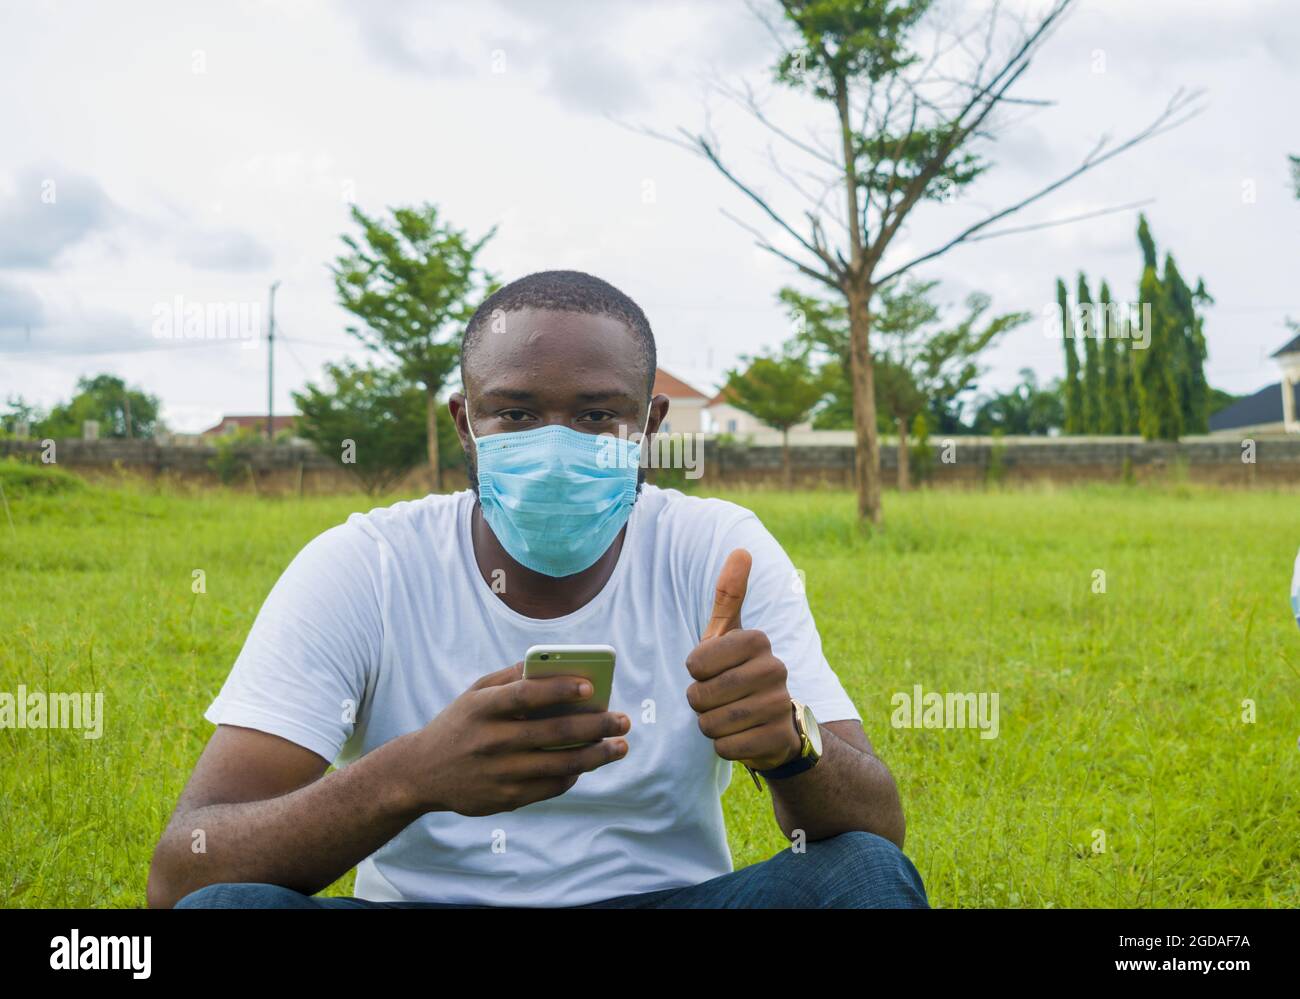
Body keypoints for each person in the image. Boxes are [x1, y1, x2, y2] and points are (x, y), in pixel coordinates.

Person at [148, 270, 928, 909]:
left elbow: (876, 831)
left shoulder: (715, 549)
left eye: (598, 417)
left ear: (650, 423)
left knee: (861, 875)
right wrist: (411, 775)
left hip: (666, 900)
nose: (557, 447)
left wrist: (792, 744)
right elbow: (184, 870)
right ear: (465, 422)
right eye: (515, 414)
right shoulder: (366, 564)